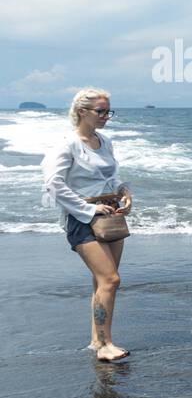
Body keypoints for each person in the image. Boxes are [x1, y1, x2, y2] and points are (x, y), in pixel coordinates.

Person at [41, 88, 133, 362]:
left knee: (101, 281)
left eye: (108, 111)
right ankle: (106, 346)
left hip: (110, 216)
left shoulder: (104, 142)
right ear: (82, 111)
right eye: (101, 111)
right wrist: (89, 208)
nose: (106, 116)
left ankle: (97, 340)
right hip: (81, 218)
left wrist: (125, 193)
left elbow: (111, 177)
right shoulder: (67, 144)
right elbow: (53, 184)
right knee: (111, 279)